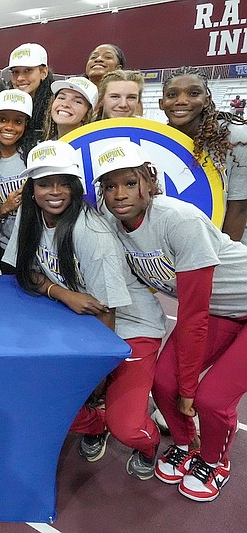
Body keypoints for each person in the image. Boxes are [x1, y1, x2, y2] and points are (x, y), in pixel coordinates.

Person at [3, 140, 167, 480]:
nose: (54, 191)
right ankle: (96, 426)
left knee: (128, 428)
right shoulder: (30, 214)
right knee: (44, 399)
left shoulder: (92, 232)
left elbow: (106, 311)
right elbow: (26, 271)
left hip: (127, 328)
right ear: (32, 188)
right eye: (45, 183)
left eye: (64, 182)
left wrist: (97, 379)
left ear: (76, 186)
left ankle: (149, 444)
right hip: (80, 322)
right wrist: (61, 293)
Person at [94, 139, 247, 500]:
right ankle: (185, 444)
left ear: (150, 182)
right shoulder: (111, 225)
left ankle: (214, 460)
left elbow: (193, 315)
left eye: (130, 183)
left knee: (211, 399)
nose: (120, 194)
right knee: (163, 383)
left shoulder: (179, 220)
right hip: (220, 310)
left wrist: (189, 389)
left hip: (215, 307)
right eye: (110, 186)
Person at [160, 67, 247, 242]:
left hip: (227, 243)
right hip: (183, 241)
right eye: (172, 95)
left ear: (207, 100)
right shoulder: (160, 139)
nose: (181, 101)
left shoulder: (236, 137)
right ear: (161, 103)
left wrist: (221, 253)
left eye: (193, 93)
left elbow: (239, 208)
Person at [0, 90, 38, 275]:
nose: (9, 127)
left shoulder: (35, 156)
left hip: (37, 247)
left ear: (26, 125)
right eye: (3, 119)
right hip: (4, 248)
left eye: (18, 121)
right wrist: (5, 207)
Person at [4, 43, 54, 140]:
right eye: (15, 72)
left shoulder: (54, 109)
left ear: (44, 73)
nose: (20, 78)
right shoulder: (4, 104)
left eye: (28, 70)